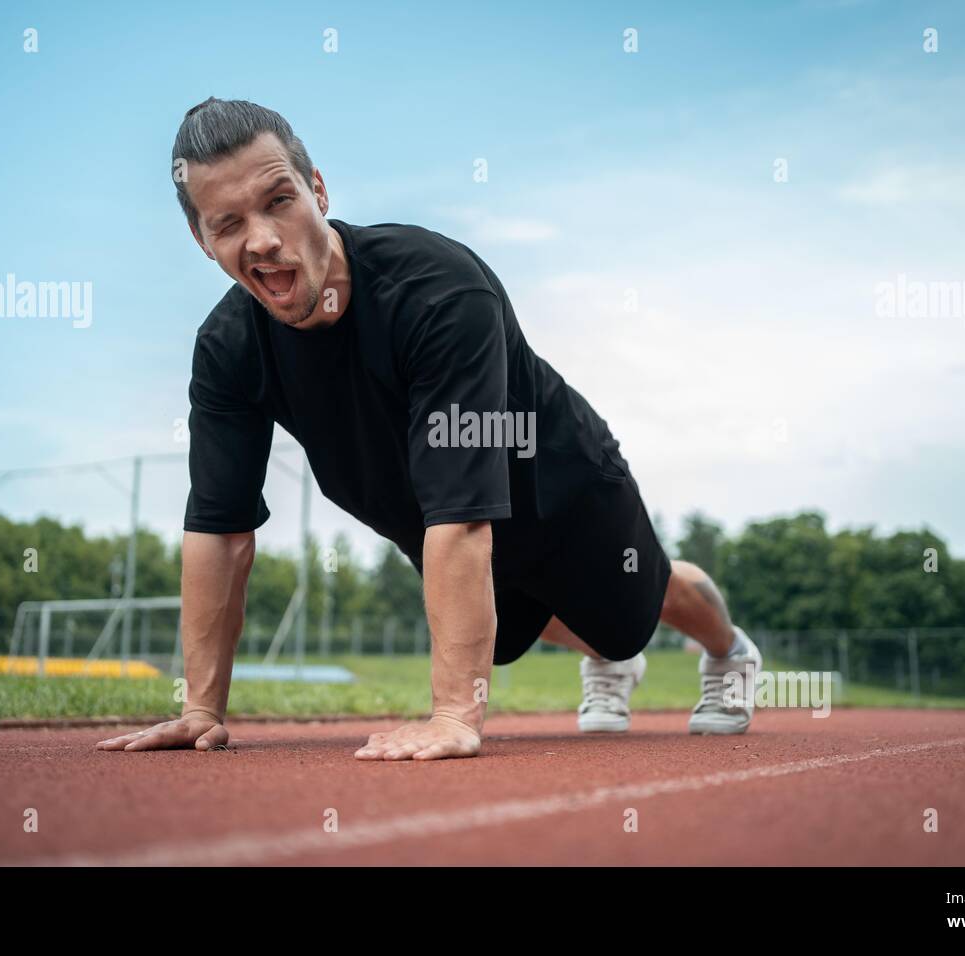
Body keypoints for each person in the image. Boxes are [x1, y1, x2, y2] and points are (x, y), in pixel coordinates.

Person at [97, 98, 762, 761]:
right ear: (203, 241)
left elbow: (465, 511)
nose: (263, 238)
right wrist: (200, 708)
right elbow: (220, 530)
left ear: (317, 189)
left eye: (278, 201)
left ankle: (729, 652)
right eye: (229, 223)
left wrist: (452, 714)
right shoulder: (227, 350)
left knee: (627, 618)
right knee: (501, 637)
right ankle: (605, 655)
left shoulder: (439, 292)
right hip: (432, 516)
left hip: (557, 483)